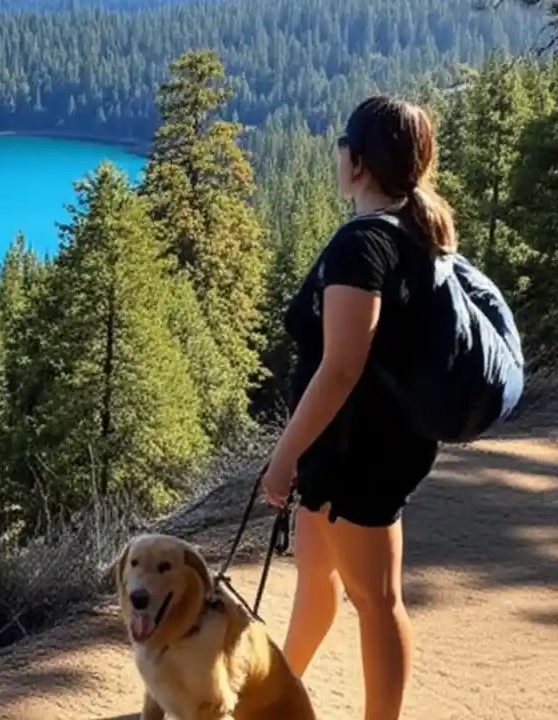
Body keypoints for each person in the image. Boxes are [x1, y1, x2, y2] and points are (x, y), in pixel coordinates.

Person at [260, 94, 457, 720]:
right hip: (347, 450)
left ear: (359, 162)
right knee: (318, 582)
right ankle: (275, 695)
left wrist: (282, 457)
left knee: (376, 598)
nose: (337, 154)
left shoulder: (363, 245)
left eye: (343, 144)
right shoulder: (410, 232)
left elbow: (341, 366)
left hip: (358, 455)